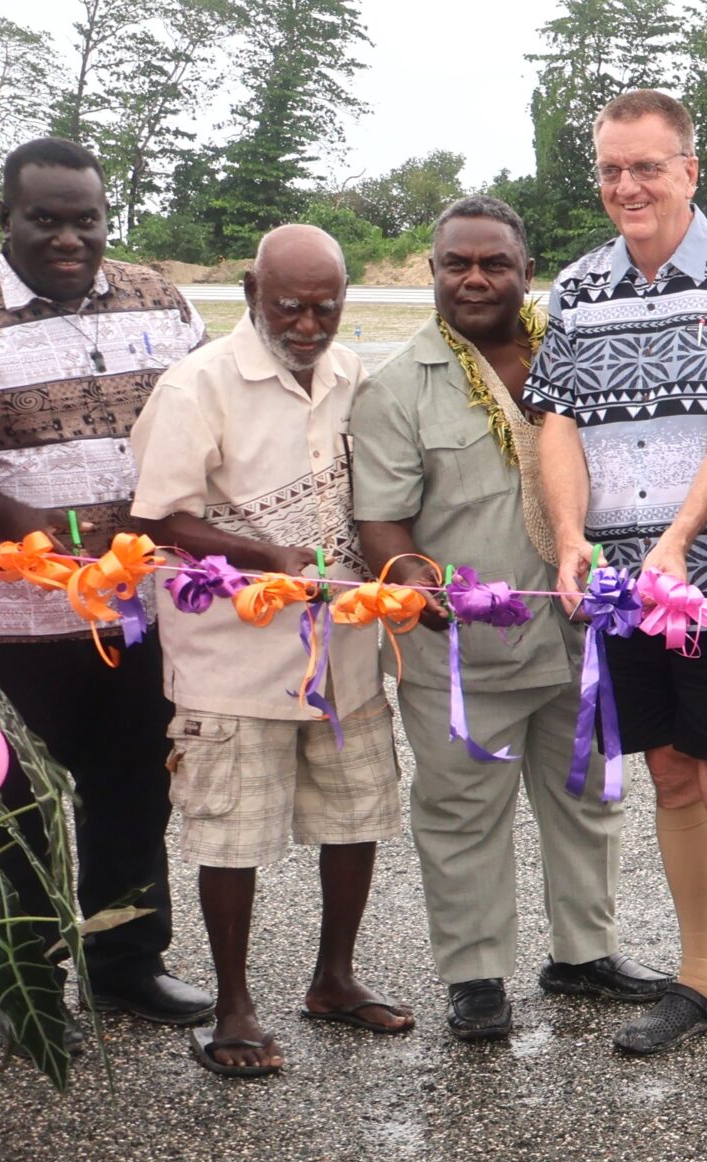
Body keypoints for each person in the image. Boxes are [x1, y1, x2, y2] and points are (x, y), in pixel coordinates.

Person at [349, 196, 669, 1043]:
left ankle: (584, 953)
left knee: (590, 799)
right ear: (432, 272)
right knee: (460, 810)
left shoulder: (573, 352)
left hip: (579, 633)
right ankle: (475, 974)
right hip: (465, 646)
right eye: (458, 263)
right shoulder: (396, 389)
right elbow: (379, 518)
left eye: (496, 263)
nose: (477, 278)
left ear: (529, 272)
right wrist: (416, 583)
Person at [529, 88, 707, 1104]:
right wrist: (567, 542)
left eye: (646, 166)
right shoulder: (577, 286)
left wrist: (680, 537)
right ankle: (703, 975)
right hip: (619, 586)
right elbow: (555, 419)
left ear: (690, 168)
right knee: (673, 774)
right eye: (610, 170)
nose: (627, 187)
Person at [0, 136, 215, 1038]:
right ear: (7, 219)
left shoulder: (161, 299)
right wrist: (51, 530)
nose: (69, 237)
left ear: (107, 218)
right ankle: (25, 986)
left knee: (136, 788)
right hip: (8, 620)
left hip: (136, 614)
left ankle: (128, 964)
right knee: (12, 806)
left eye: (86, 219)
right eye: (46, 219)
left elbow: (207, 422)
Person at [130, 224, 409, 1077]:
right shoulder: (196, 386)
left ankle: (334, 977)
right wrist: (266, 559)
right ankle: (235, 1005)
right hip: (233, 659)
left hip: (343, 656)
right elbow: (156, 518)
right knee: (233, 833)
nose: (308, 325)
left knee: (357, 813)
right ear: (253, 289)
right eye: (290, 306)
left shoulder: (351, 374)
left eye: (327, 307)